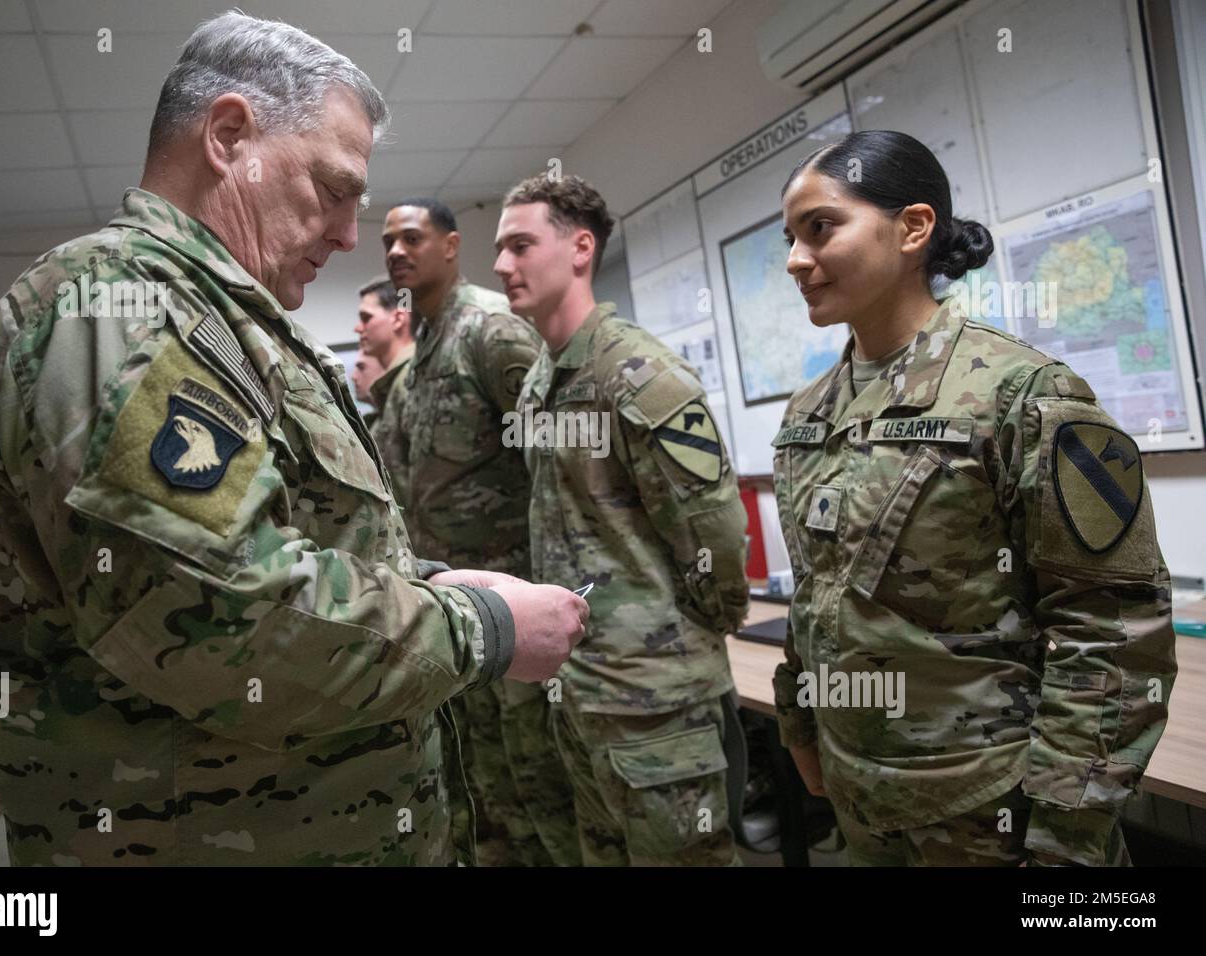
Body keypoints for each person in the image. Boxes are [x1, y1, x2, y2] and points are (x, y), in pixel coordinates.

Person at [0, 10, 585, 867]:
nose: (346, 233)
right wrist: (483, 627)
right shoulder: (114, 305)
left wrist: (425, 580)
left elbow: (299, 534)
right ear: (229, 136)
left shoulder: (233, 322)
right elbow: (227, 619)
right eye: (332, 190)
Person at [770, 129, 1177, 866]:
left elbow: (1112, 630)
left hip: (991, 814)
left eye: (820, 228)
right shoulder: (809, 411)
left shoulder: (1022, 391)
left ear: (913, 229)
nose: (797, 260)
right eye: (791, 237)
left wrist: (1067, 835)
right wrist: (800, 722)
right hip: (861, 799)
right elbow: (817, 594)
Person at [496, 174, 751, 865]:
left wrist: (686, 640)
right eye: (500, 249)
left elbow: (715, 536)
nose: (500, 265)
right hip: (582, 692)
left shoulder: (637, 372)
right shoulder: (540, 381)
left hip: (657, 705)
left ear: (581, 248)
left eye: (520, 245)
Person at [382, 198, 579, 865]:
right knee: (488, 786)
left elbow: (556, 465)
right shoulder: (419, 357)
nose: (396, 252)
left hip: (517, 597)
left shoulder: (490, 332)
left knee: (543, 786)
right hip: (460, 609)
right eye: (388, 242)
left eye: (412, 238)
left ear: (450, 246)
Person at [354, 277, 415, 505]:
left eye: (366, 317)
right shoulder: (392, 388)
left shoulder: (414, 378)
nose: (358, 327)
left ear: (398, 318)